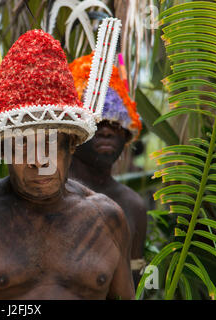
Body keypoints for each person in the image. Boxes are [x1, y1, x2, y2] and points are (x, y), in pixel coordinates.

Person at [0, 29, 134, 299]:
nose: (38, 160)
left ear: (72, 144)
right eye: (22, 145)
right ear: (4, 149)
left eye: (49, 143)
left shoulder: (108, 219)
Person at [68, 53, 147, 284]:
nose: (106, 131)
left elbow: (133, 284)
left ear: (127, 135)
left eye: (116, 123)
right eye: (97, 122)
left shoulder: (134, 205)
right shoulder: (48, 193)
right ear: (74, 133)